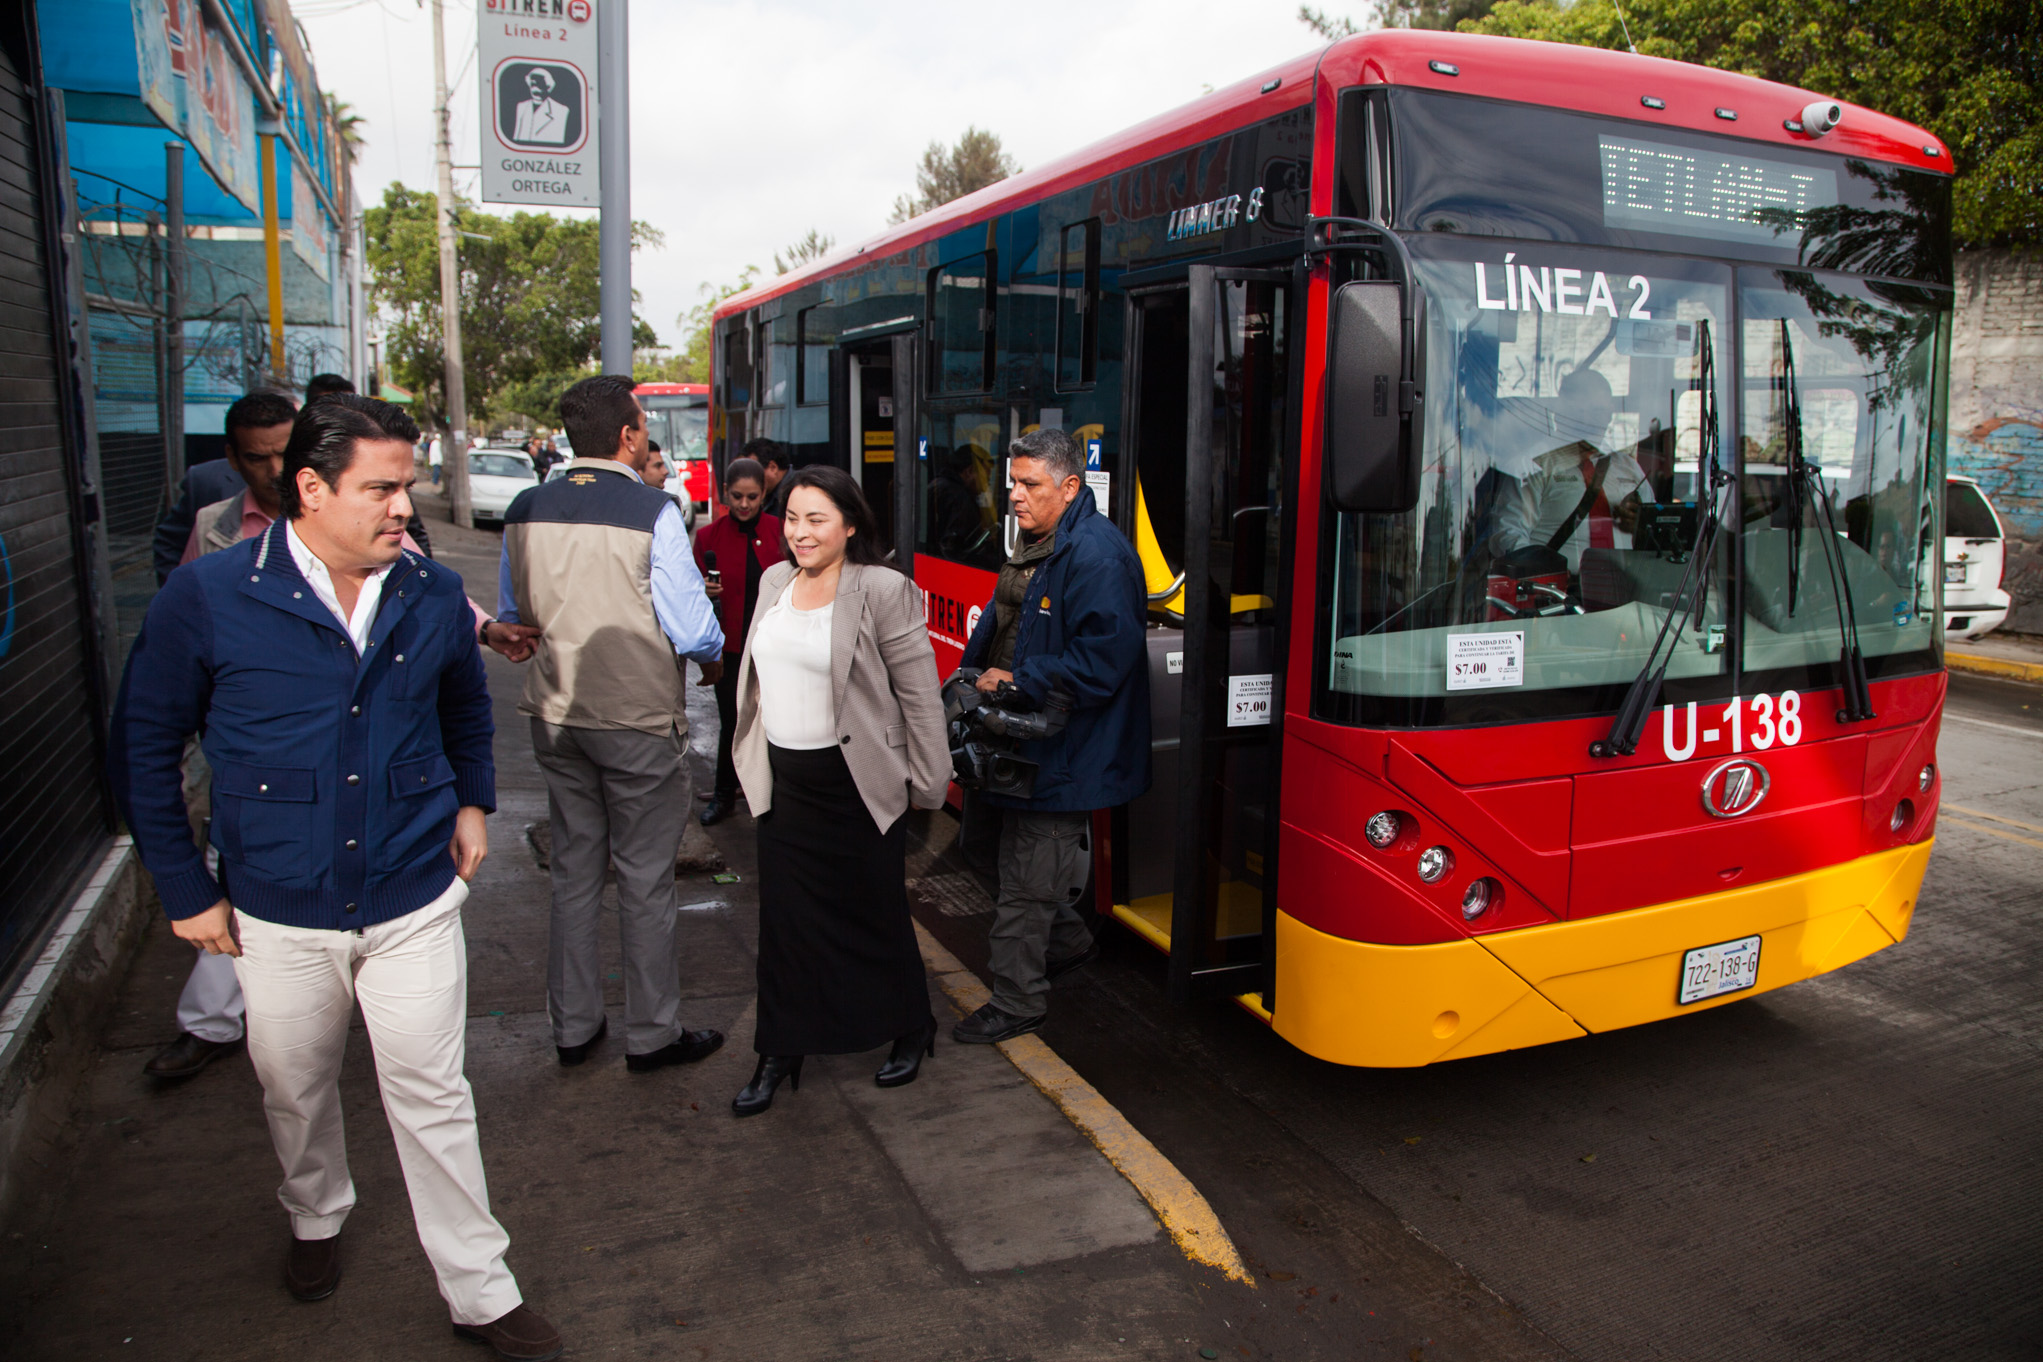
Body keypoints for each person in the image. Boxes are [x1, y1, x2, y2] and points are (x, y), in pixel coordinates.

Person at [107, 395, 561, 1360]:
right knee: (295, 1084)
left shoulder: (430, 592)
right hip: (277, 910)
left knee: (434, 1093)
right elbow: (144, 747)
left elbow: (462, 706)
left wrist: (472, 799)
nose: (406, 507)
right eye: (383, 488)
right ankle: (316, 1215)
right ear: (310, 489)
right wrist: (186, 891)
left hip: (412, 893)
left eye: (407, 484)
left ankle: (480, 1289)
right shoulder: (211, 597)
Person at [495, 374, 727, 1072]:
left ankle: (573, 1027)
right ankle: (651, 1034)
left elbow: (514, 615)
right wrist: (712, 660)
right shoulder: (651, 509)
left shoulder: (524, 506)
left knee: (573, 873)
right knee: (645, 878)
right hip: (635, 718)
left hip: (557, 717)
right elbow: (692, 628)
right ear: (628, 437)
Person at [726, 466, 949, 1115]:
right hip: (785, 784)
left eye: (815, 519)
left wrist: (928, 783)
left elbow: (919, 696)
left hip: (855, 784)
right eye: (791, 518)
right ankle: (780, 1050)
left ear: (849, 524)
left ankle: (911, 1025)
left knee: (873, 916)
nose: (799, 532)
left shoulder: (881, 589)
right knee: (786, 926)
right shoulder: (773, 581)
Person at [953, 428, 1150, 1044]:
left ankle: (1018, 1003)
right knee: (981, 850)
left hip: (1061, 752)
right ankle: (1067, 942)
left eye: (1029, 484)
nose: (1014, 495)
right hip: (1012, 739)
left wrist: (1022, 676)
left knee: (1026, 885)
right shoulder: (1040, 538)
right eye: (1012, 481)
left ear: (1069, 487)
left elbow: (1104, 660)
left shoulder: (1098, 555)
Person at [692, 457, 784, 826]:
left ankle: (773, 794)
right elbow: (686, 595)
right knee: (732, 721)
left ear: (764, 494)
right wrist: (702, 588)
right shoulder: (707, 537)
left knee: (778, 721)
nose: (744, 505)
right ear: (724, 494)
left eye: (752, 497)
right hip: (729, 648)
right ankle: (723, 795)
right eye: (737, 496)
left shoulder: (781, 530)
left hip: (774, 646)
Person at [1495, 366, 1651, 571]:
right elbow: (1508, 533)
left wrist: (1640, 526)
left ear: (1610, 414)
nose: (1595, 419)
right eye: (1584, 409)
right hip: (1556, 594)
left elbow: (1655, 528)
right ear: (1562, 411)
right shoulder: (1532, 465)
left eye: (1600, 410)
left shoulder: (1628, 467)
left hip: (1621, 590)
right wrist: (1542, 574)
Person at [152, 391, 298, 586]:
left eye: (285, 454)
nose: (276, 471)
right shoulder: (209, 523)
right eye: (257, 459)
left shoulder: (339, 515)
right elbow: (190, 599)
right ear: (233, 458)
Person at [750, 438, 792, 520]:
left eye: (751, 471)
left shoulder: (798, 490)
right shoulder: (771, 492)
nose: (747, 478)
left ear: (773, 468)